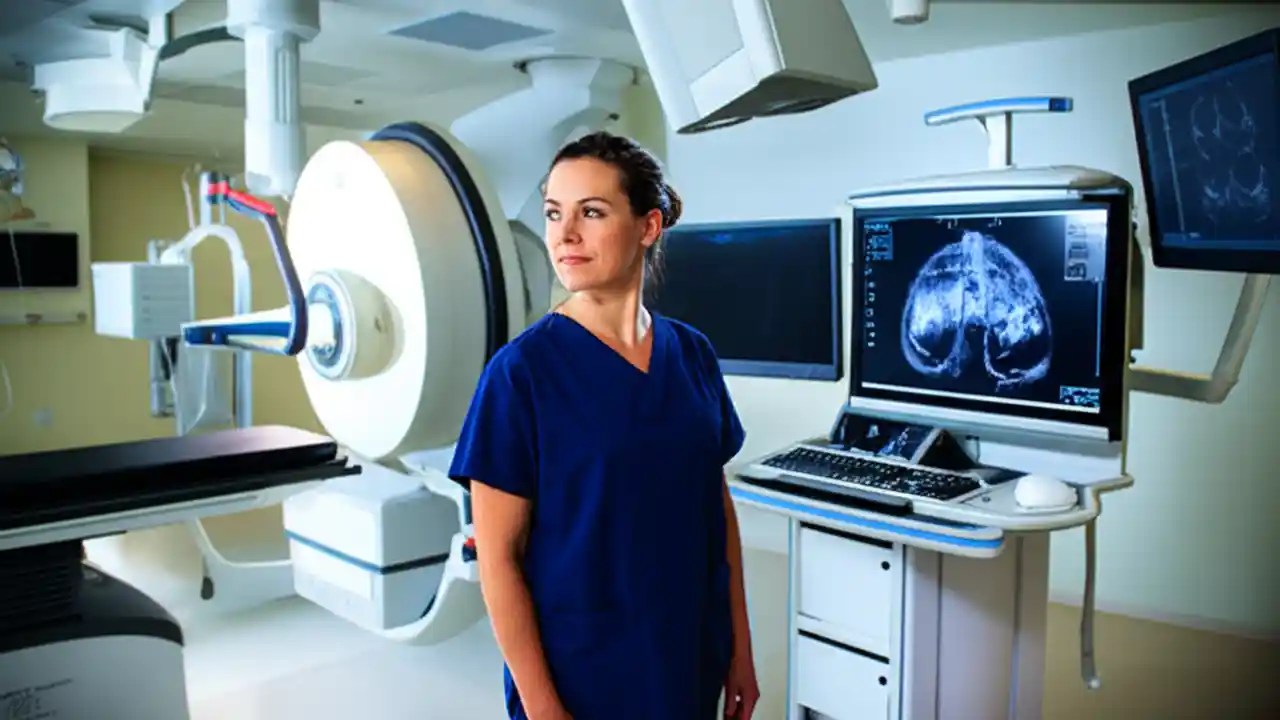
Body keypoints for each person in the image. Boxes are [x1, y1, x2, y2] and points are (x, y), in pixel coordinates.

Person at [447, 130, 759, 720]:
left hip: (687, 660)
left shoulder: (692, 355)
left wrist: (741, 649)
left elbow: (717, 516)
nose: (565, 235)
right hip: (581, 681)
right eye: (554, 214)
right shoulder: (521, 374)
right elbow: (498, 560)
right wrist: (543, 709)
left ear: (648, 227)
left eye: (591, 212)